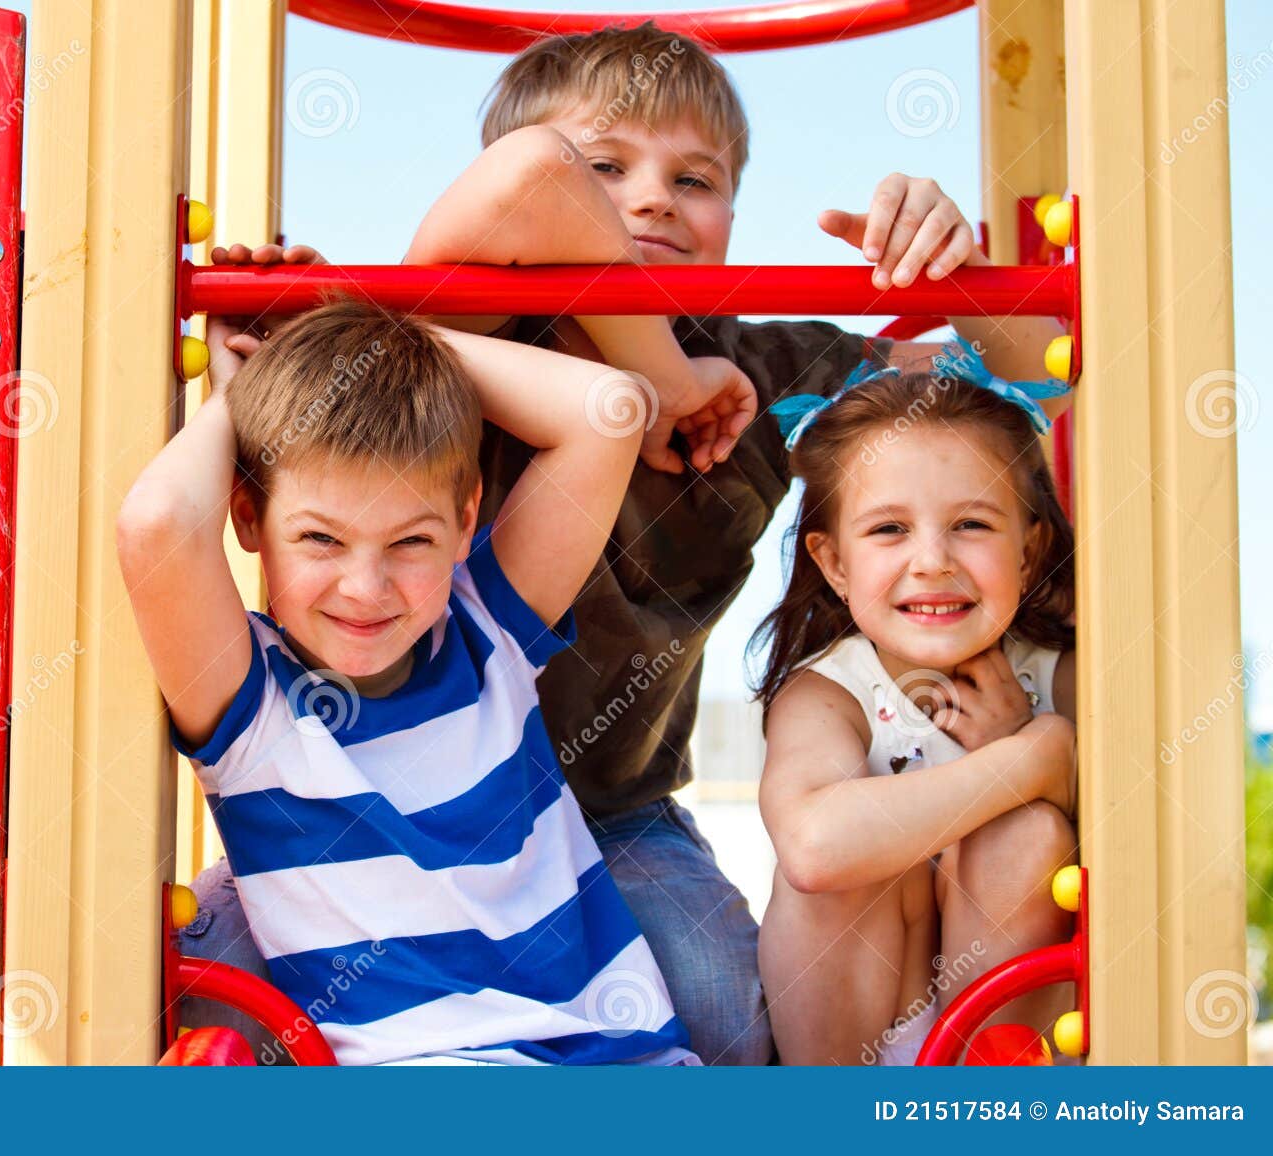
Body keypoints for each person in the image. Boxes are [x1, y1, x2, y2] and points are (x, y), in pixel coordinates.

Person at [188, 20, 1067, 1064]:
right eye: (603, 168)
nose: (651, 200)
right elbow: (524, 177)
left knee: (723, 1020)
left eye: (695, 180)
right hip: (360, 804)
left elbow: (1030, 382)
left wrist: (957, 267)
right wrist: (664, 378)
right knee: (218, 997)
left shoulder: (767, 368)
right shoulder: (450, 341)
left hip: (607, 807)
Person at [118, 297, 696, 1065]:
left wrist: (367, 322)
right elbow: (156, 524)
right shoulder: (253, 702)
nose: (366, 588)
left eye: (411, 541)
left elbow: (611, 411)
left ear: (465, 521)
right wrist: (239, 396)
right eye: (321, 538)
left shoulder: (488, 629)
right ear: (247, 517)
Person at [753, 348, 1078, 1065]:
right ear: (834, 563)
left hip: (999, 1036)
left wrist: (1032, 744)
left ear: (1028, 553)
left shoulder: (1061, 677)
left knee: (1029, 836)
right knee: (847, 851)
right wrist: (1031, 759)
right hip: (863, 1038)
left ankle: (988, 1104)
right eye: (888, 529)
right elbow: (812, 849)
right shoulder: (829, 694)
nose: (932, 560)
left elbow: (1149, 825)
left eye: (972, 524)